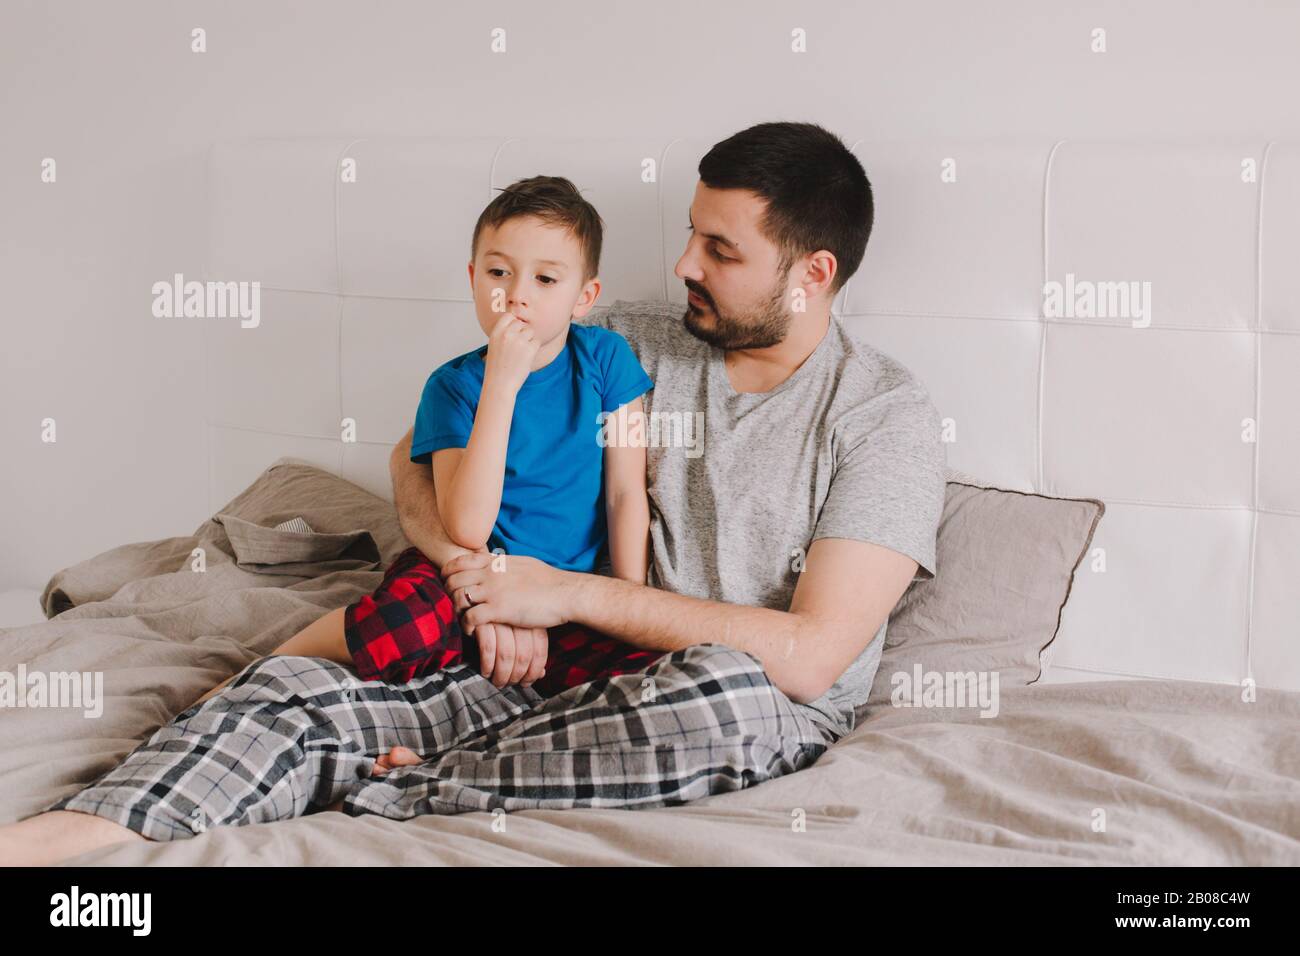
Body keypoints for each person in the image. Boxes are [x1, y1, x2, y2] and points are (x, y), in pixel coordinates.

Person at [0, 121, 945, 865]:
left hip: (689, 704)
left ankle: (413, 788)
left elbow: (813, 659)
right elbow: (418, 455)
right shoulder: (617, 340)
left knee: (724, 695)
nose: (685, 265)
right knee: (293, 690)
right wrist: (478, 574)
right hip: (526, 665)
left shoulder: (882, 419)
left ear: (813, 273)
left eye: (720, 250)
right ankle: (67, 840)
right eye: (692, 236)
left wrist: (564, 593)